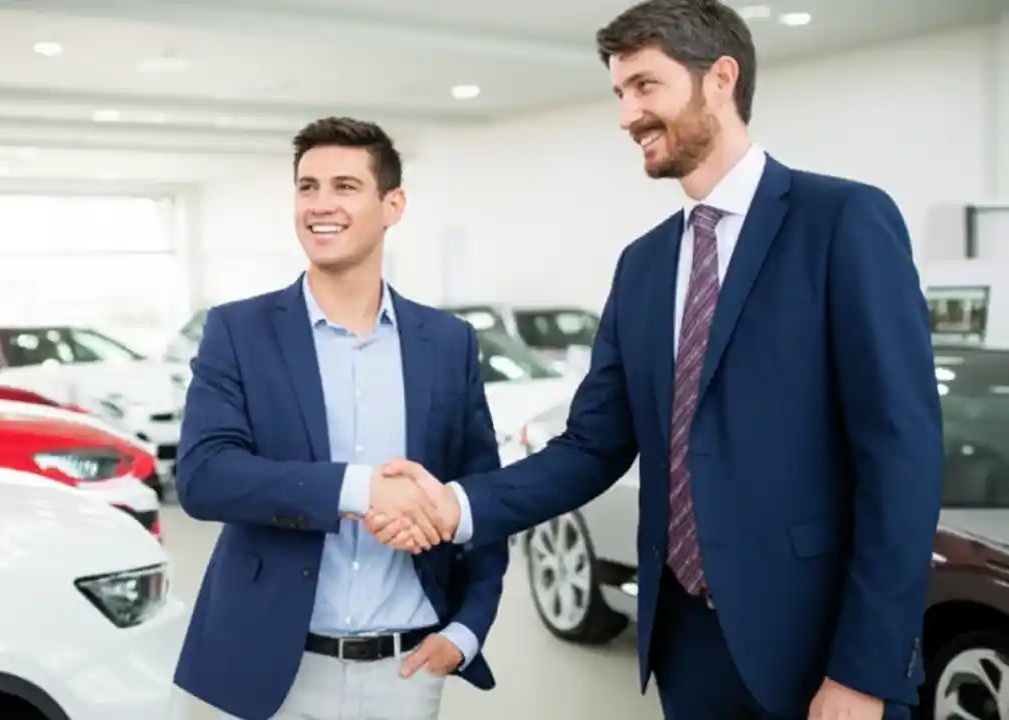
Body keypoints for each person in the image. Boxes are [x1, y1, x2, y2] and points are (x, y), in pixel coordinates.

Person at [367, 1, 944, 718]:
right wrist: (455, 505)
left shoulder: (842, 222)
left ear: (720, 78)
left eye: (645, 86)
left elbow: (902, 458)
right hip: (686, 641)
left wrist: (864, 669)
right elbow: (591, 446)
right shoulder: (643, 267)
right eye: (619, 93)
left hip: (819, 645)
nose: (626, 115)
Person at [172, 116, 509, 720]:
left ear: (393, 204)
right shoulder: (238, 330)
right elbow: (203, 476)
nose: (320, 205)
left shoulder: (448, 341)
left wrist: (466, 631)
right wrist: (360, 488)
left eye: (345, 187)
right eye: (307, 187)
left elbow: (481, 497)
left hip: (406, 671)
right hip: (263, 668)